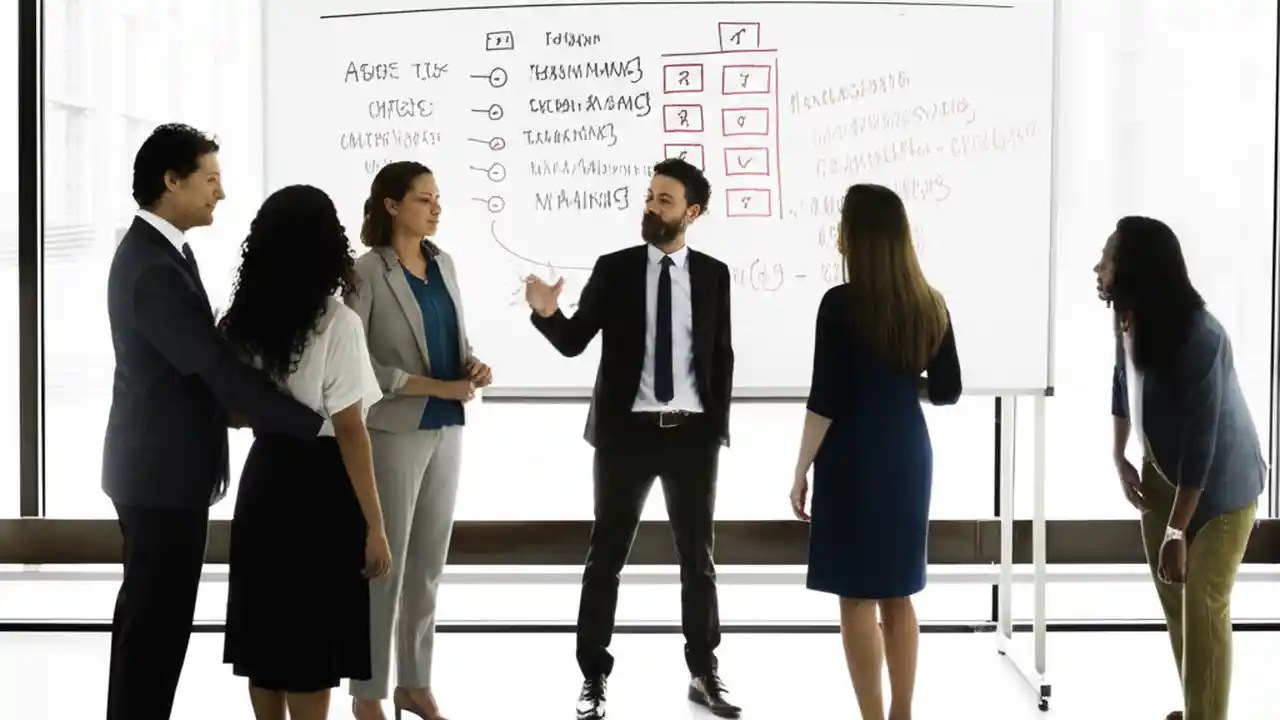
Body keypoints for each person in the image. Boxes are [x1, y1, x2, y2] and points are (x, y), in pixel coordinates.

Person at [102, 123, 328, 720]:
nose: (220, 194)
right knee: (154, 630)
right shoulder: (153, 267)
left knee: (152, 625)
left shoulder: (168, 251)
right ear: (170, 180)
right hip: (159, 476)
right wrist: (313, 425)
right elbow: (212, 368)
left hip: (162, 471)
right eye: (210, 179)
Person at [524, 157, 739, 720]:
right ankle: (592, 677)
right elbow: (573, 341)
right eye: (649, 196)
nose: (651, 206)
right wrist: (547, 313)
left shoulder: (714, 274)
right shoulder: (615, 269)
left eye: (664, 200)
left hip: (692, 439)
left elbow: (721, 356)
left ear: (692, 212)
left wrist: (717, 427)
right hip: (627, 436)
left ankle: (704, 671)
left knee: (699, 559)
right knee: (606, 558)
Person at [219, 185, 393, 720]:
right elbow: (350, 430)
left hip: (266, 476)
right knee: (312, 646)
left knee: (267, 642)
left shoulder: (239, 319)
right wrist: (376, 525)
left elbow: (233, 412)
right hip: (320, 489)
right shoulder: (338, 323)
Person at [789, 184, 960, 720]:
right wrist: (898, 384)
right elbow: (949, 389)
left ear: (857, 236)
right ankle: (903, 713)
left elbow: (827, 400)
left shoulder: (840, 304)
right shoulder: (930, 302)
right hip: (908, 451)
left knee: (857, 598)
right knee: (898, 592)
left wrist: (800, 470)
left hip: (854, 456)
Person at [1096, 216, 1264, 720]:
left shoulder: (1201, 338)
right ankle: (1199, 710)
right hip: (1164, 476)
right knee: (1177, 607)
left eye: (1107, 257)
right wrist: (1119, 454)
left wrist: (1176, 529)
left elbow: (1203, 446)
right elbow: (1122, 380)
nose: (1097, 267)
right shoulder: (1129, 316)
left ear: (1135, 269)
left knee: (1203, 605)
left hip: (1221, 491)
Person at [347, 161, 492, 720]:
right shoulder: (365, 272)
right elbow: (358, 365)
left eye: (438, 198)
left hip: (446, 429)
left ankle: (414, 681)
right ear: (391, 204)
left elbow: (451, 336)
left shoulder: (444, 263)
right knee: (387, 566)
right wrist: (438, 385)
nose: (436, 208)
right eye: (423, 199)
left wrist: (471, 365)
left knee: (429, 564)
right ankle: (368, 691)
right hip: (393, 433)